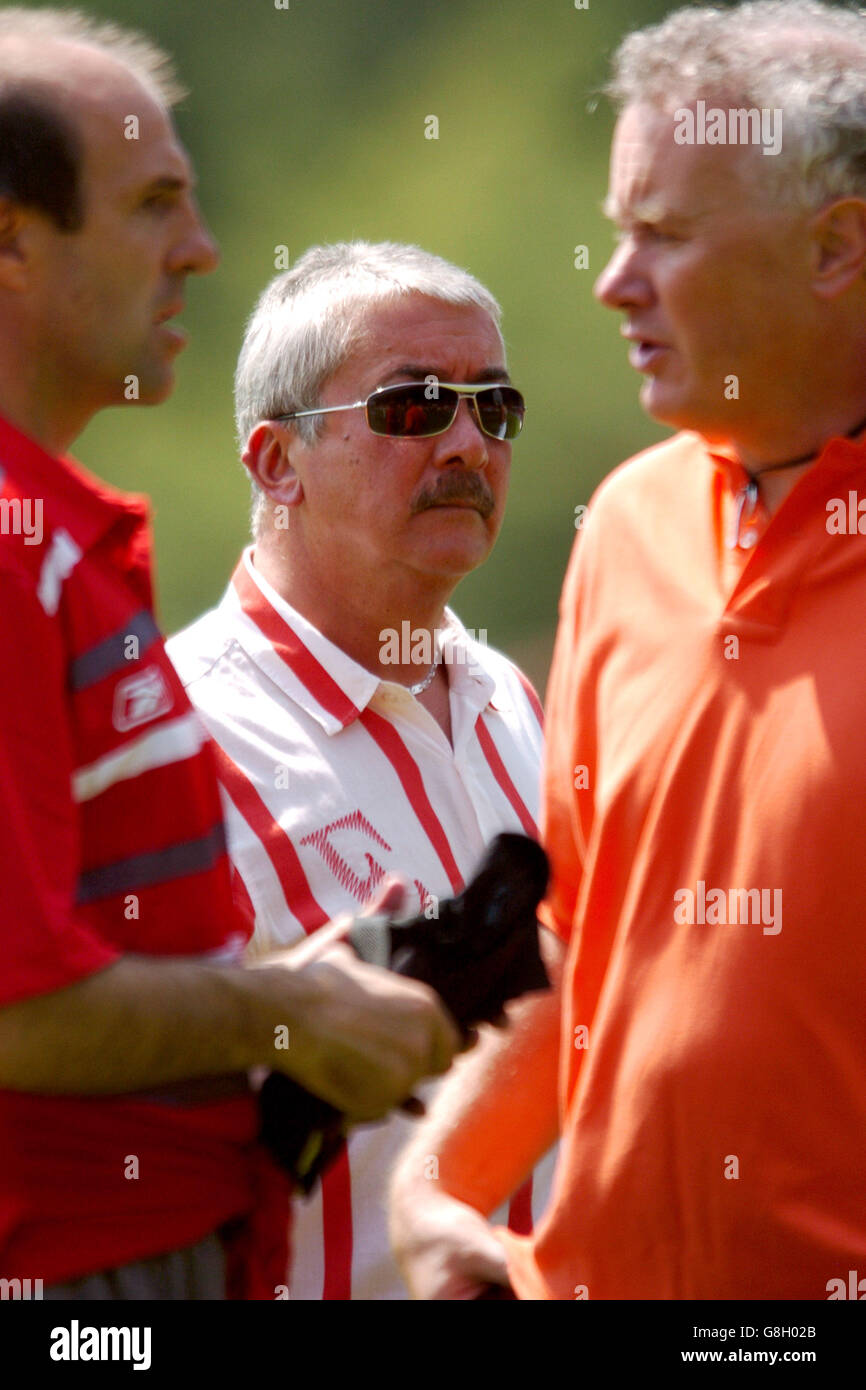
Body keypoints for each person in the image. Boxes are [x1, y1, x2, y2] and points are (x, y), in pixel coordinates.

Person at [389, 0, 866, 1300]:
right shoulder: (630, 521)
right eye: (619, 229)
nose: (612, 278)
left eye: (662, 233)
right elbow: (581, 934)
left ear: (838, 246)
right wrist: (436, 1185)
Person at [0, 9, 459, 1301]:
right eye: (152, 206)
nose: (199, 252)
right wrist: (287, 1011)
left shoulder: (43, 527)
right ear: (11, 238)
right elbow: (17, 1007)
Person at [167, 241, 559, 1299]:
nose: (469, 443)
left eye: (495, 407)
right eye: (412, 409)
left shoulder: (508, 701)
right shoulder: (174, 739)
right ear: (275, 462)